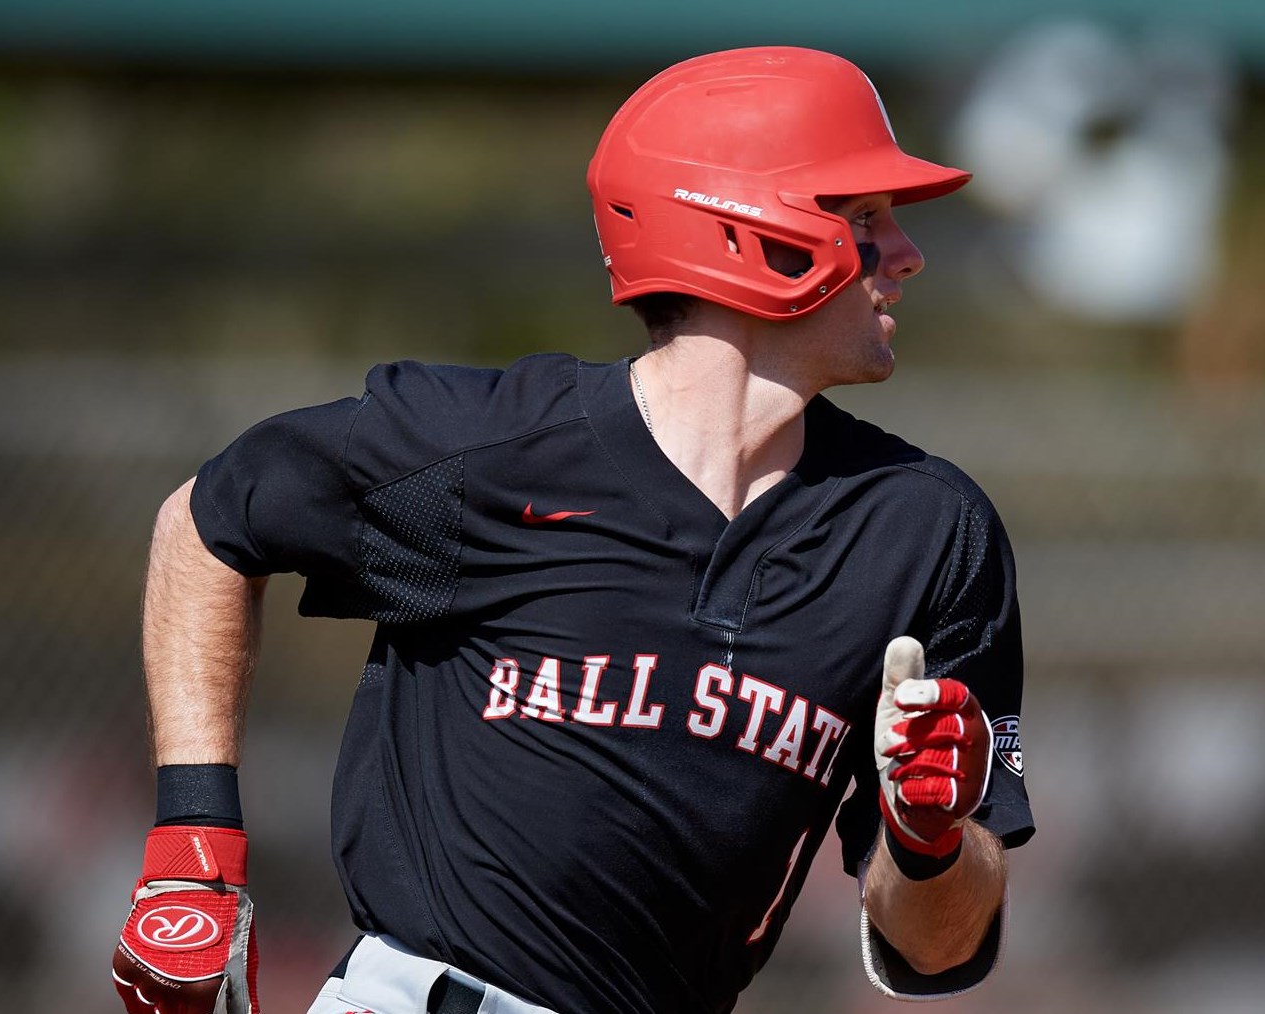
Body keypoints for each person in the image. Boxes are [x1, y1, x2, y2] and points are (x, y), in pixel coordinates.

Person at [111, 45, 1033, 1014]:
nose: (906, 254)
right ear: (748, 231)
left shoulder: (923, 534)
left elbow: (937, 949)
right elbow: (208, 524)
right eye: (864, 218)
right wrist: (193, 853)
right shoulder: (488, 446)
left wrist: (928, 842)